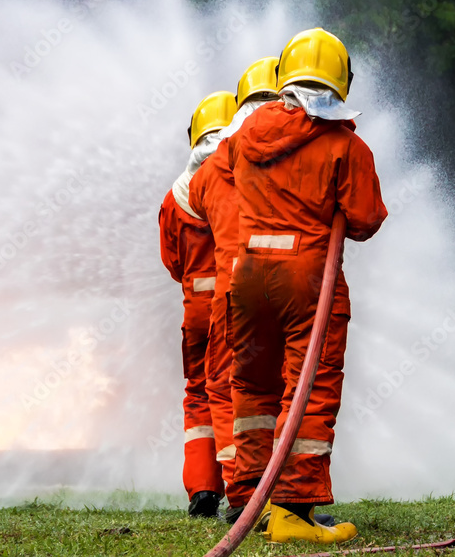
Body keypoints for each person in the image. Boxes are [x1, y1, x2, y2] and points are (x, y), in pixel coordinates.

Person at [226, 28, 388, 543]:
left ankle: (248, 494)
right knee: (308, 389)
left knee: (253, 386)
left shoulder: (243, 136)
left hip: (247, 276)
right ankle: (292, 512)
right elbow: (363, 220)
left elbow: (228, 177)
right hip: (308, 279)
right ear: (341, 81)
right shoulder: (345, 145)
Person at [188, 59, 280, 524]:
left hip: (228, 299)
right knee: (288, 389)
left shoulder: (208, 172)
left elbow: (179, 234)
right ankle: (283, 493)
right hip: (287, 294)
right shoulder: (302, 149)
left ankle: (239, 489)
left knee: (228, 394)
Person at [157, 91, 236, 517]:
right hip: (234, 304)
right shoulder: (240, 182)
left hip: (196, 312)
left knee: (199, 395)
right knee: (239, 393)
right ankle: (243, 483)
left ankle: (203, 490)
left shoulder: (174, 198)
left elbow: (172, 262)